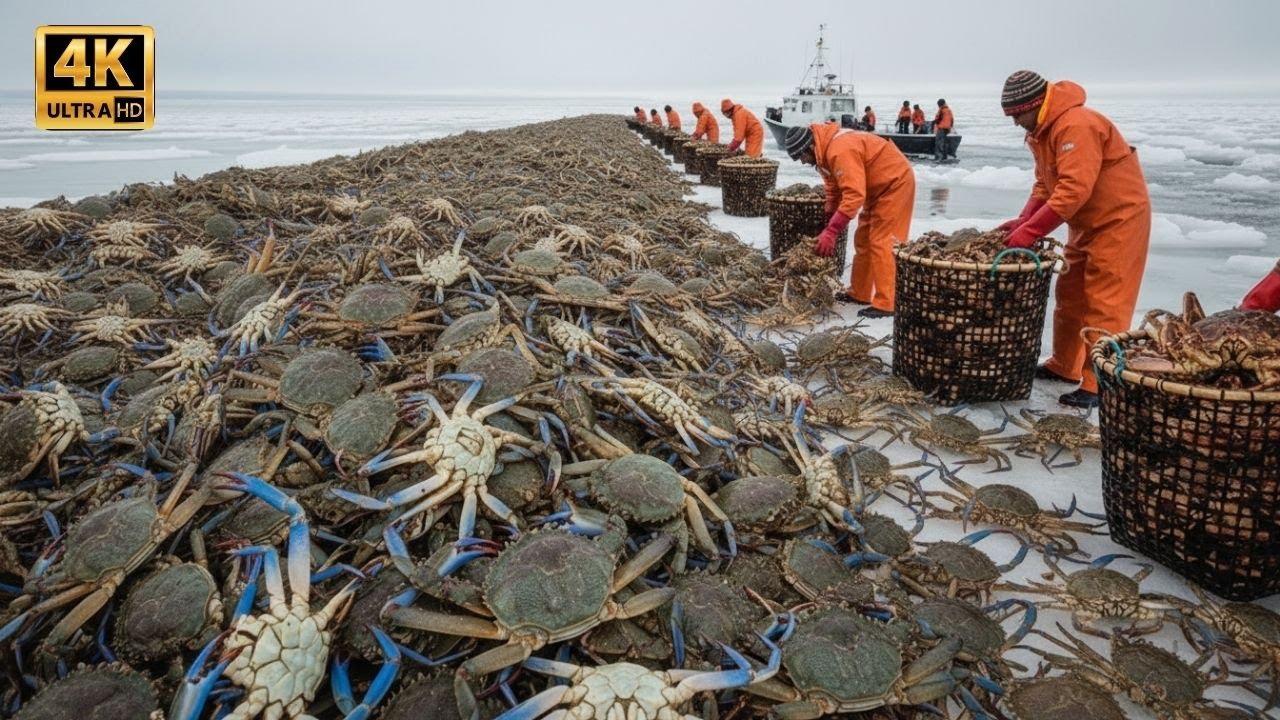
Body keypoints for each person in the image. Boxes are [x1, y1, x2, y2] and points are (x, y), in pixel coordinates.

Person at [997, 70, 1152, 409]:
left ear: (1033, 105)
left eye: (1017, 115)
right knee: (1070, 294)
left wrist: (1031, 232)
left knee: (1106, 300)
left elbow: (1073, 190)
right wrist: (1024, 220)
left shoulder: (1076, 125)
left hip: (1119, 220)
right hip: (1084, 222)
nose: (1015, 123)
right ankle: (1065, 365)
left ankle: (1098, 382)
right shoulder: (1040, 132)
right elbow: (1045, 185)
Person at [783, 123, 916, 318]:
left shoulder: (839, 150)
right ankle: (860, 293)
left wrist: (832, 231)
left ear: (809, 147)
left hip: (895, 182)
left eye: (801, 157)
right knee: (863, 239)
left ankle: (887, 302)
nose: (802, 162)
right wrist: (829, 217)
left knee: (881, 241)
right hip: (875, 187)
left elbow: (854, 195)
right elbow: (833, 187)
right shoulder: (823, 154)